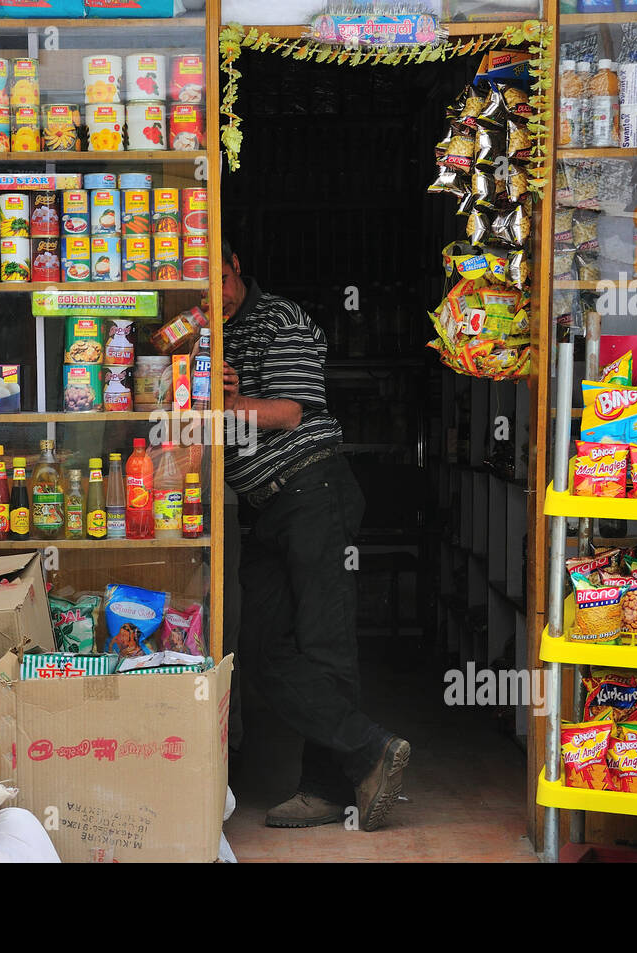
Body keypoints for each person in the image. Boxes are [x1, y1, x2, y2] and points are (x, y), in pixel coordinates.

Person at [218, 237, 410, 832]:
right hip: (263, 509)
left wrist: (225, 403)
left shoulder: (281, 318)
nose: (215, 298)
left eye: (219, 280)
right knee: (258, 648)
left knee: (325, 645)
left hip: (312, 490)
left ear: (236, 266)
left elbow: (290, 412)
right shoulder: (203, 333)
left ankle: (330, 787)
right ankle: (367, 750)